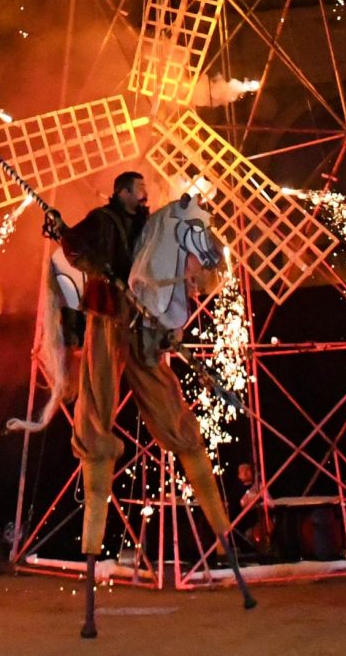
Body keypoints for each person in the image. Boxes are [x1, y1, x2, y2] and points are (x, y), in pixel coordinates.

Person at [43, 172, 237, 573]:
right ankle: (93, 536)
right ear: (124, 193)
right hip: (109, 318)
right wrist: (61, 232)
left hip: (144, 327)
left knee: (170, 407)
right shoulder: (103, 220)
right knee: (96, 404)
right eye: (139, 189)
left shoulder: (152, 226)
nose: (146, 194)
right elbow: (77, 249)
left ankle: (221, 533)